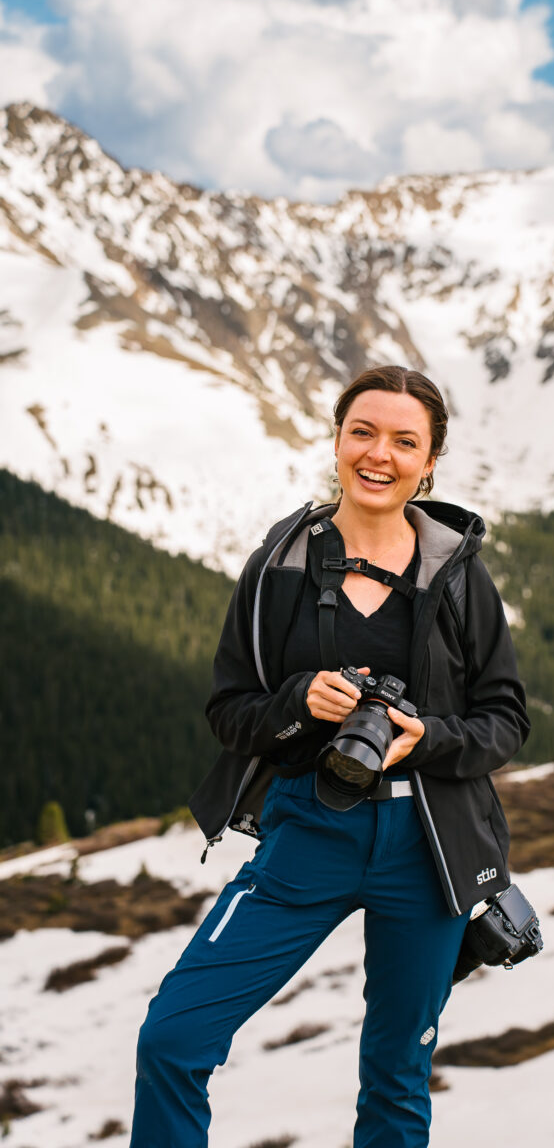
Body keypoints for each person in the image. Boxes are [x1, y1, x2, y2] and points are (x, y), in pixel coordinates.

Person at [130, 365, 530, 1147]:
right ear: (337, 440)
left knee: (396, 1074)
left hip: (429, 848)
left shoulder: (458, 574)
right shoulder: (279, 566)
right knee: (172, 1040)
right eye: (364, 432)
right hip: (307, 830)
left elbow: (506, 719)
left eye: (404, 441)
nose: (379, 454)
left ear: (430, 462)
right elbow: (228, 712)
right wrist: (296, 702)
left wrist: (430, 739)